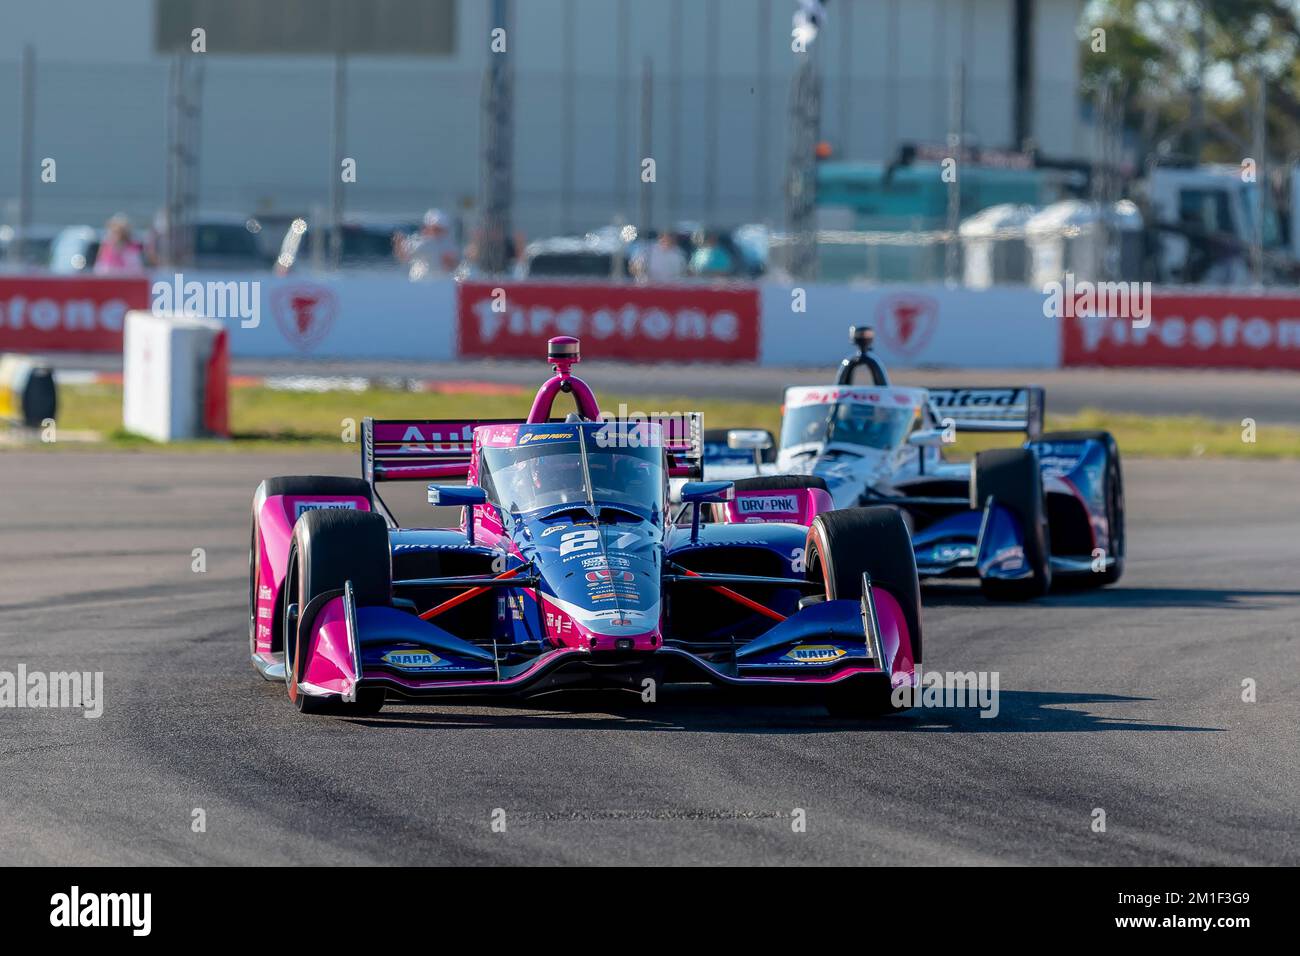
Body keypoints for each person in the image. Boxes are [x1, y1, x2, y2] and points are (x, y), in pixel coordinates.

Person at [401, 208, 460, 280]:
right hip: (418, 283)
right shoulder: (416, 242)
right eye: (432, 228)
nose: (434, 232)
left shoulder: (449, 245)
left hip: (442, 283)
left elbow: (453, 267)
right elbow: (404, 257)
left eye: (438, 229)